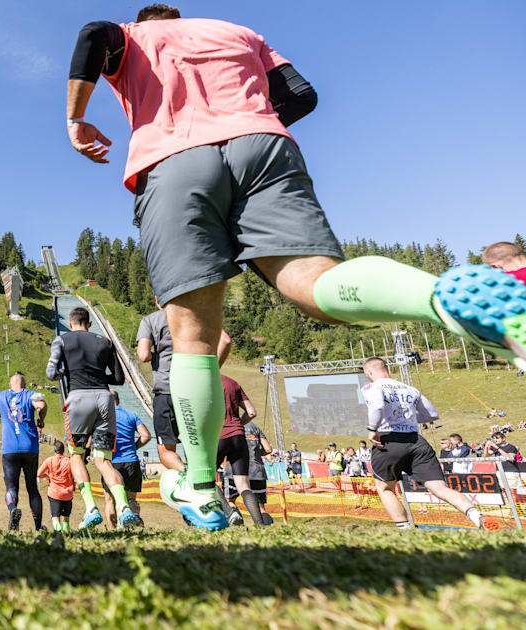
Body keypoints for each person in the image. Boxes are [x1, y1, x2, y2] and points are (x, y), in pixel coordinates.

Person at [64, 3, 526, 530]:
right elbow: (300, 94)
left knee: (192, 339)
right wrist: (247, 121)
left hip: (174, 159)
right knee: (317, 283)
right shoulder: (237, 32)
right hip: (264, 147)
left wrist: (77, 119)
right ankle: (445, 296)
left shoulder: (134, 36)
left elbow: (93, 34)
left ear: (148, 21)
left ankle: (200, 487)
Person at [361, 357, 485, 529]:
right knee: (439, 488)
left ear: (369, 372)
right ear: (386, 369)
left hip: (388, 440)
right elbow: (432, 414)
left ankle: (406, 529)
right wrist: (409, 419)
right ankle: (477, 517)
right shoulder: (410, 389)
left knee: (385, 488)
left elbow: (377, 406)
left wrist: (372, 428)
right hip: (416, 441)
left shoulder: (371, 387)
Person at [46, 307, 131, 529]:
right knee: (103, 461)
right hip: (104, 399)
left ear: (70, 323)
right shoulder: (105, 342)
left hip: (78, 399)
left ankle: (91, 508)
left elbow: (51, 372)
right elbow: (119, 378)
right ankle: (124, 507)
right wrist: (96, 374)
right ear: (89, 324)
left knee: (76, 455)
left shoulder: (62, 340)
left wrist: (70, 373)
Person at [136, 301, 231, 474]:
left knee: (166, 451)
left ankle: (187, 476)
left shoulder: (151, 320)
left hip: (166, 391)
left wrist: (156, 355)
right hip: (195, 390)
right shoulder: (195, 315)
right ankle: (203, 479)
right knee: (197, 446)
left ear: (157, 299)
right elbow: (225, 340)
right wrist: (210, 370)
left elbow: (143, 355)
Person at [0, 373, 47, 530]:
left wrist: (3, 413)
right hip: (30, 448)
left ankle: (13, 510)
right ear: (24, 385)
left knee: (11, 487)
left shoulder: (0, 396)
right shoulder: (30, 394)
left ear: (10, 385)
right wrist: (41, 418)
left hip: (9, 449)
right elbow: (42, 405)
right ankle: (38, 527)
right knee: (32, 488)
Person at [216, 374, 267, 526]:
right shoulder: (232, 382)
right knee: (244, 485)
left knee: (207, 480)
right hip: (239, 436)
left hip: (218, 436)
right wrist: (238, 424)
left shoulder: (204, 381)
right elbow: (251, 412)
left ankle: (229, 512)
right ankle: (260, 524)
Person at [101, 390, 151, 528]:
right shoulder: (131, 415)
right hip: (131, 462)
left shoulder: (103, 417)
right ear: (118, 400)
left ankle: (114, 531)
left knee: (110, 499)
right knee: (130, 499)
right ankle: (132, 522)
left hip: (111, 463)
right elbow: (146, 436)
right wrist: (134, 446)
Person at [224, 419, 273, 525]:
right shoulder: (255, 427)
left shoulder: (228, 425)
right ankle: (267, 528)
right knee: (261, 507)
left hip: (234, 470)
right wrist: (257, 453)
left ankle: (238, 523)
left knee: (230, 501)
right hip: (257, 471)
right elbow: (268, 449)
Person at [37, 442, 76, 531]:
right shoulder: (69, 461)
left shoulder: (49, 460)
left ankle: (58, 532)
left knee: (55, 516)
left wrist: (46, 475)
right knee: (66, 517)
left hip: (54, 493)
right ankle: (67, 533)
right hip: (67, 494)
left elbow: (39, 474)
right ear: (63, 450)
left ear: (54, 450)